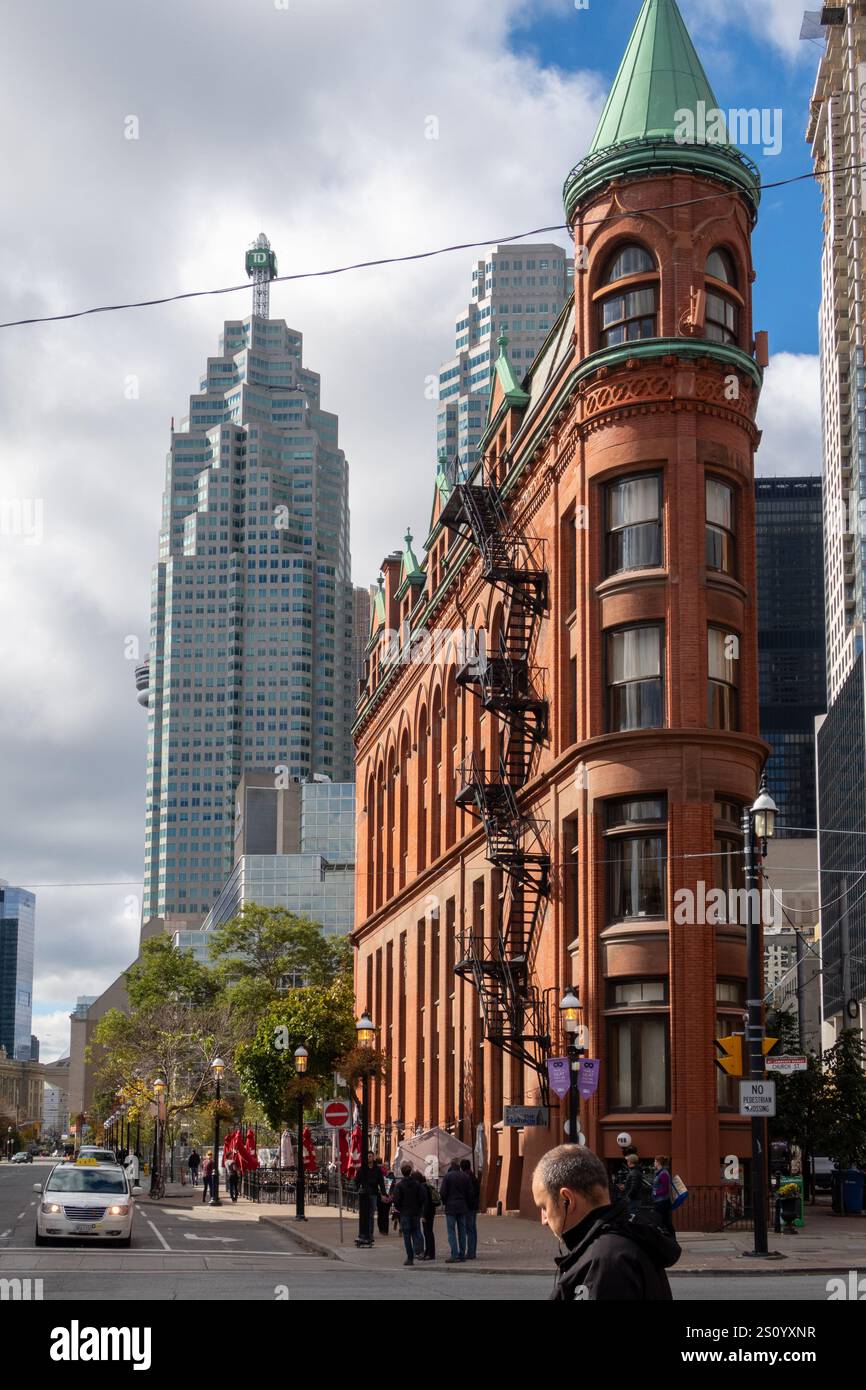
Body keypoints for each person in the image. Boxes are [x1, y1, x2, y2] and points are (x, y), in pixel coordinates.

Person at [532, 1144, 681, 1300]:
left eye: (544, 1206)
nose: (543, 1219)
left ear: (567, 1200)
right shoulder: (624, 1243)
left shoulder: (605, 1262)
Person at [439, 1159, 475, 1263]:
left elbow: (443, 1192)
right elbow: (470, 1193)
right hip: (462, 1207)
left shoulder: (447, 1177)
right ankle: (462, 1254)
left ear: (451, 1165)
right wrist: (467, 1204)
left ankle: (454, 1254)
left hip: (450, 1207)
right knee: (462, 1231)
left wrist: (445, 1202)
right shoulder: (465, 1177)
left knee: (451, 1232)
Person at [390, 1162, 424, 1266]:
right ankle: (418, 1250)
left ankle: (410, 1257)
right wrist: (419, 1208)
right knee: (416, 1232)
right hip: (415, 1212)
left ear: (402, 1172)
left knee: (407, 1236)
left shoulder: (399, 1186)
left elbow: (396, 1200)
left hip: (405, 1213)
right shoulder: (417, 1184)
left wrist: (400, 1209)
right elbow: (422, 1198)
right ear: (410, 1172)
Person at [460, 1158, 481, 1260]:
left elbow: (468, 1193)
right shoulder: (473, 1177)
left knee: (469, 1229)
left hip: (468, 1206)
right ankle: (472, 1251)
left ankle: (470, 1252)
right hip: (474, 1206)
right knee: (473, 1229)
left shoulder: (466, 1178)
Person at [419, 1172, 440, 1261]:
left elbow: (426, 1203)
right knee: (429, 1233)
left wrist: (423, 1215)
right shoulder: (427, 1186)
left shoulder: (423, 1188)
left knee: (427, 1233)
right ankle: (429, 1252)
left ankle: (430, 1253)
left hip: (427, 1213)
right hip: (431, 1212)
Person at [651, 1155, 673, 1232]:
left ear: (659, 1162)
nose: (654, 1163)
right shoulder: (659, 1173)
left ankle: (671, 1239)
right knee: (664, 1222)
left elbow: (665, 1189)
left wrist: (655, 1193)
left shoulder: (663, 1173)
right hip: (660, 1202)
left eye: (655, 1161)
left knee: (663, 1223)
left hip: (662, 1202)